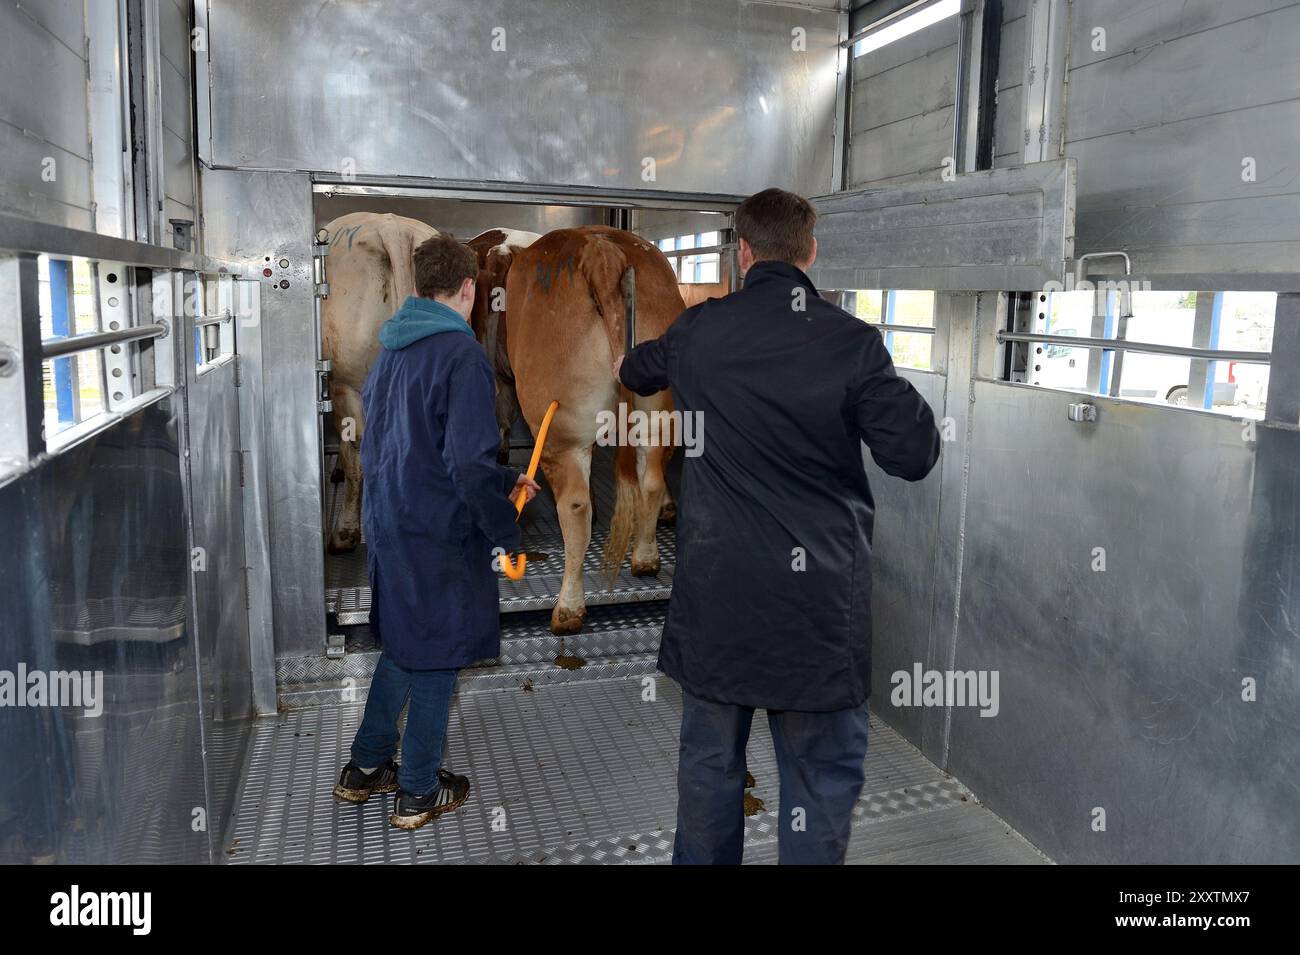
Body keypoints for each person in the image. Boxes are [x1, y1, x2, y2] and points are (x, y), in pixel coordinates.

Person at [616, 188, 941, 864]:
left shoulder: (700, 332)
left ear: (742, 252)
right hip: (815, 618)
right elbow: (914, 454)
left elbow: (635, 370)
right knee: (817, 791)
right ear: (810, 252)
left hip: (718, 607)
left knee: (709, 776)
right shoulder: (851, 343)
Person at [333, 233, 539, 830]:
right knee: (437, 659)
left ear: (419, 287)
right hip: (438, 536)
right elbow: (466, 464)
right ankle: (418, 790)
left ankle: (367, 766)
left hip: (393, 525)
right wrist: (505, 531)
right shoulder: (461, 354)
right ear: (470, 288)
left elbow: (418, 446)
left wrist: (504, 482)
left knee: (403, 644)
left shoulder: (392, 348)